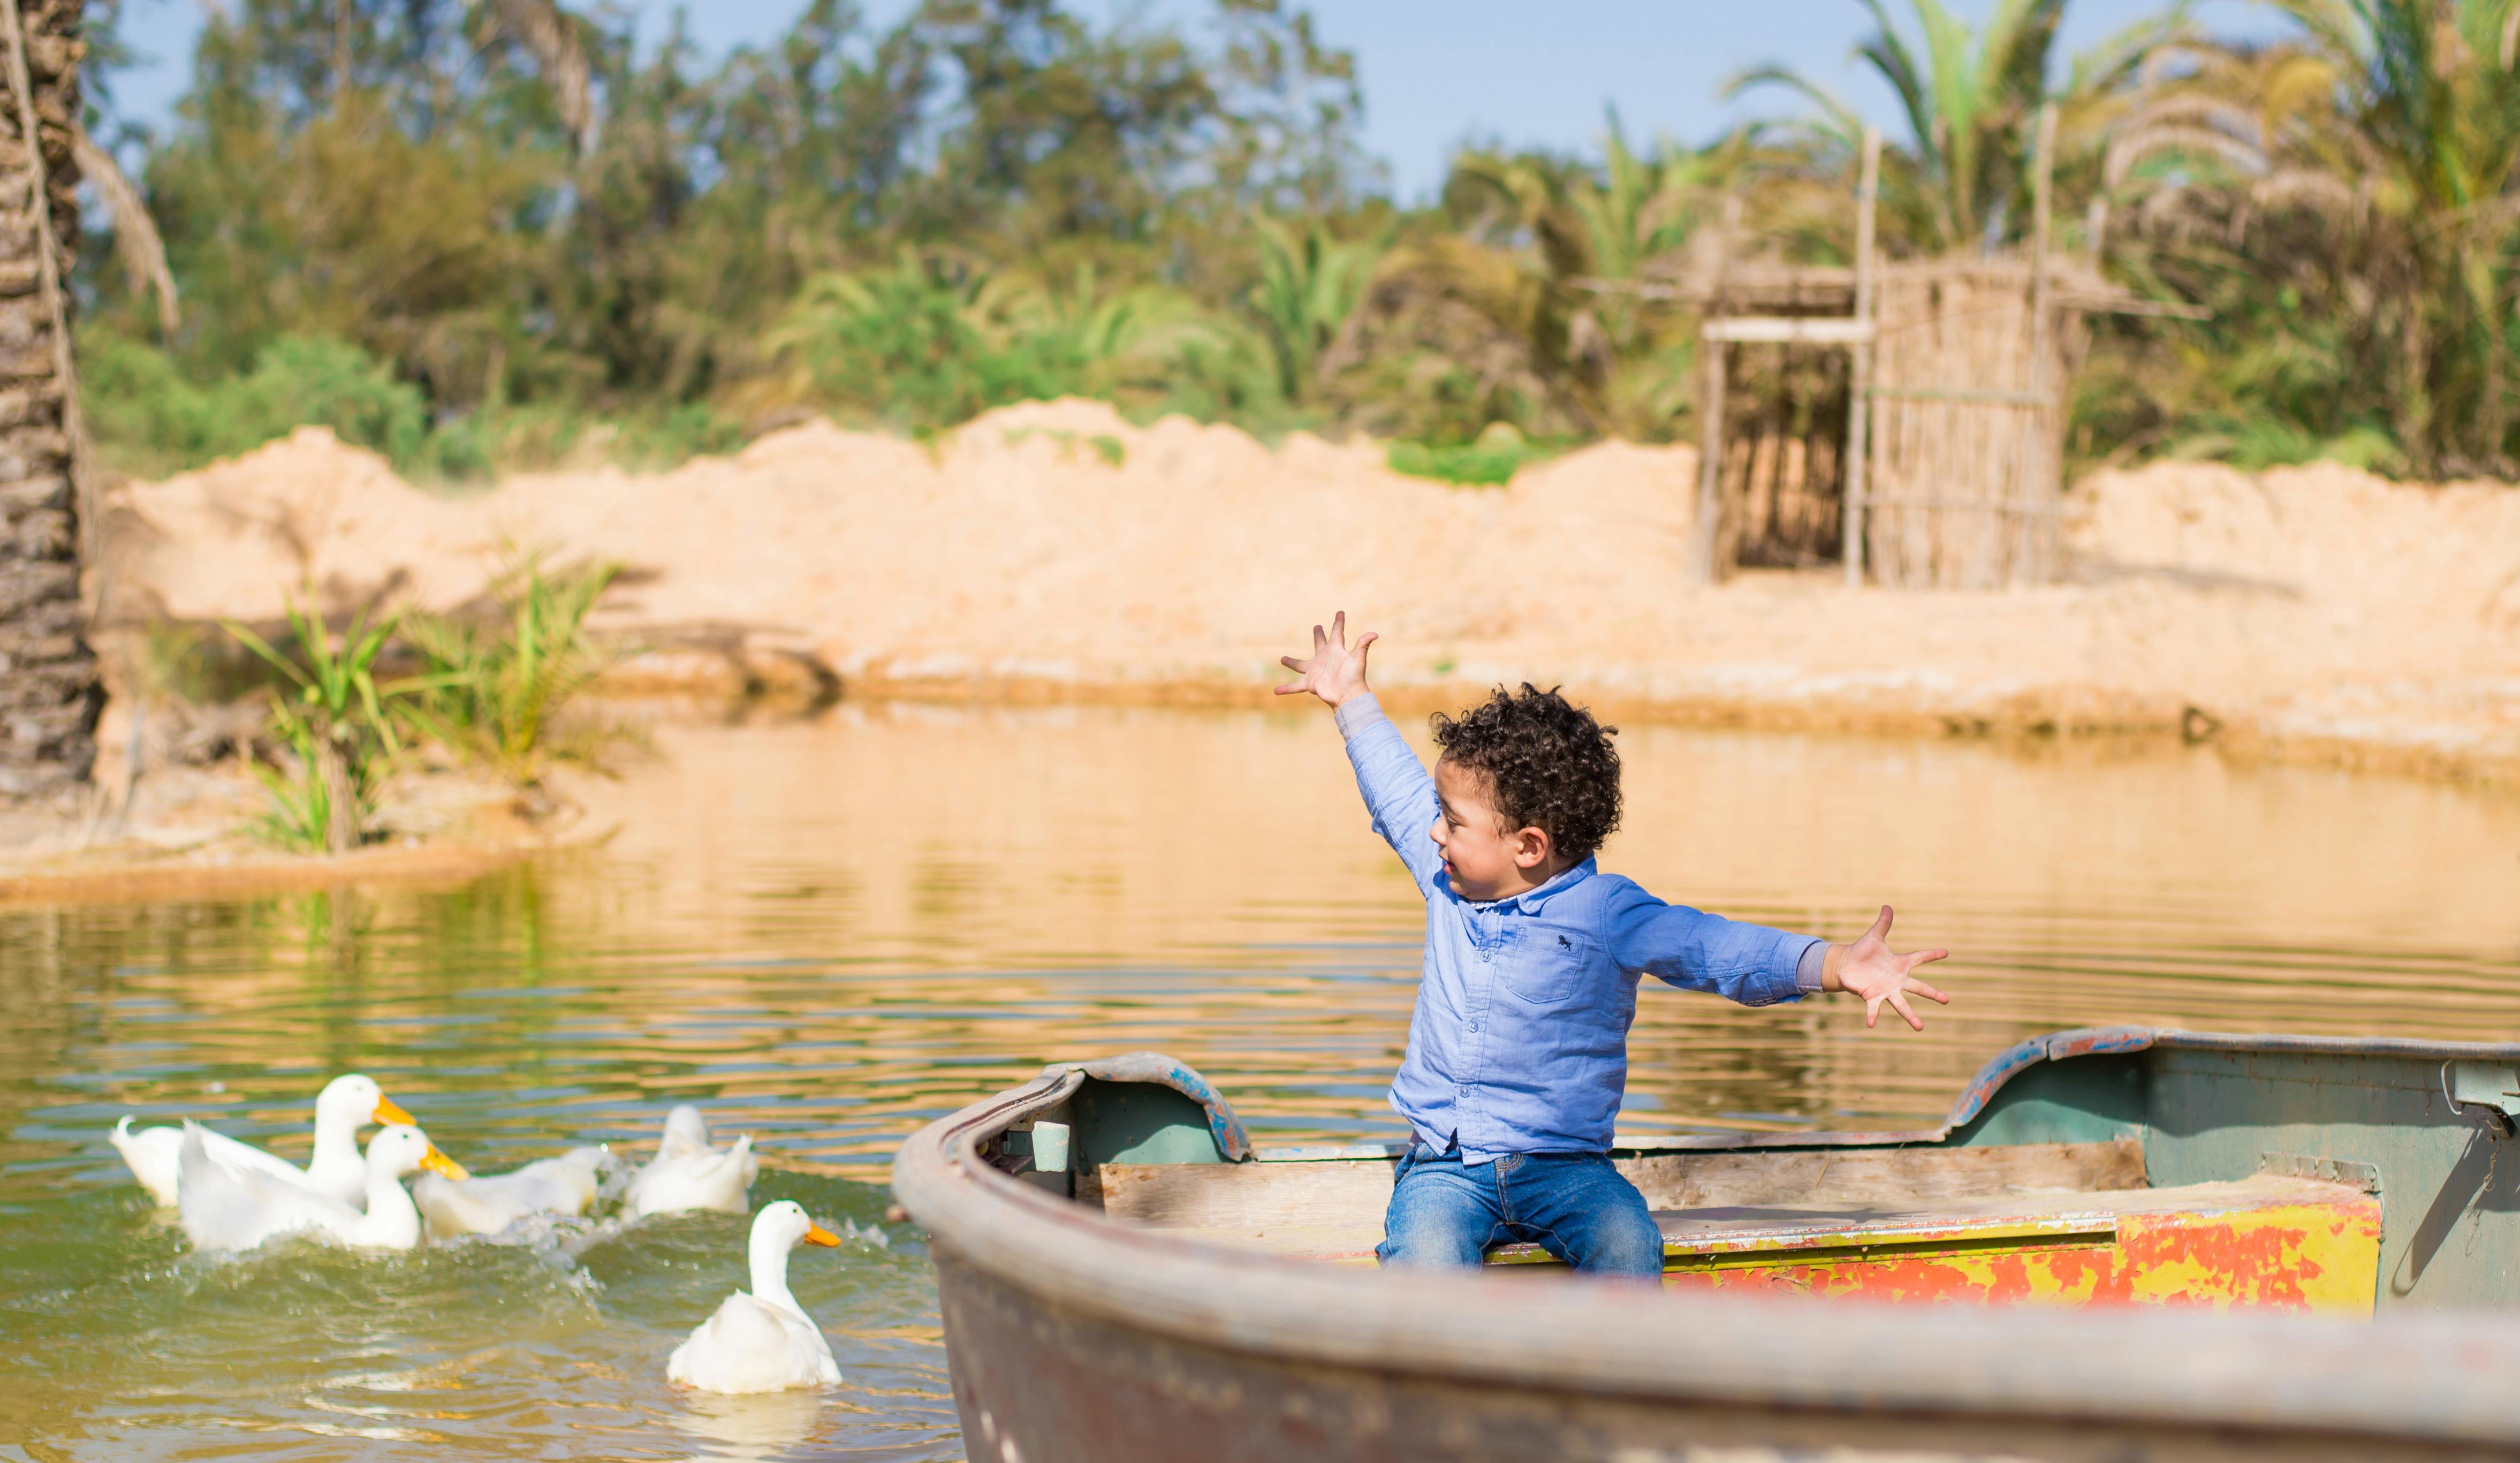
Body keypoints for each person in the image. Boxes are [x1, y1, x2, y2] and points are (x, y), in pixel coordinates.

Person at [1277, 612, 1952, 1279]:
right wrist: (1352, 699)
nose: (1433, 834)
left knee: (1628, 1246)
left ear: (1529, 845)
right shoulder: (1447, 878)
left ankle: (1607, 1373)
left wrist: (1834, 964)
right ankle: (1443, 1378)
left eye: (1451, 823)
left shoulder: (1606, 911)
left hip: (1566, 1167)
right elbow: (1395, 786)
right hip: (1445, 1167)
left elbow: (1715, 950)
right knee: (1423, 1261)